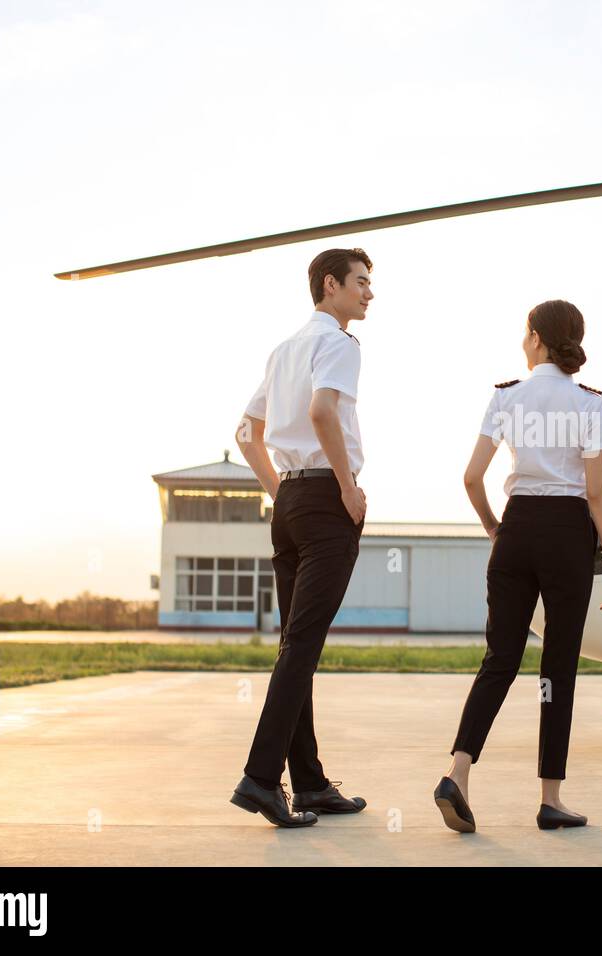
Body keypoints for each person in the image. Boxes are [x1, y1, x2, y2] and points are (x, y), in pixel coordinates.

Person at [435, 299, 602, 833]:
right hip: (567, 535)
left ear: (537, 338)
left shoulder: (507, 398)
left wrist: (497, 528)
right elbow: (598, 494)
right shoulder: (590, 404)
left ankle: (458, 773)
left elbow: (472, 478)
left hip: (516, 529)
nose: (522, 341)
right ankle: (550, 799)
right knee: (556, 669)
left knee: (500, 659)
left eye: (525, 333)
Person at [228, 247, 374, 827]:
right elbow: (321, 414)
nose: (370, 293)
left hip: (290, 502)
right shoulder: (337, 343)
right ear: (330, 285)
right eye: (361, 282)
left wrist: (279, 491)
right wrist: (347, 488)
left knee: (296, 644)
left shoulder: (284, 349)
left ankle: (309, 782)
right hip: (323, 502)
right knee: (303, 646)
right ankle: (262, 780)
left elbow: (246, 433)